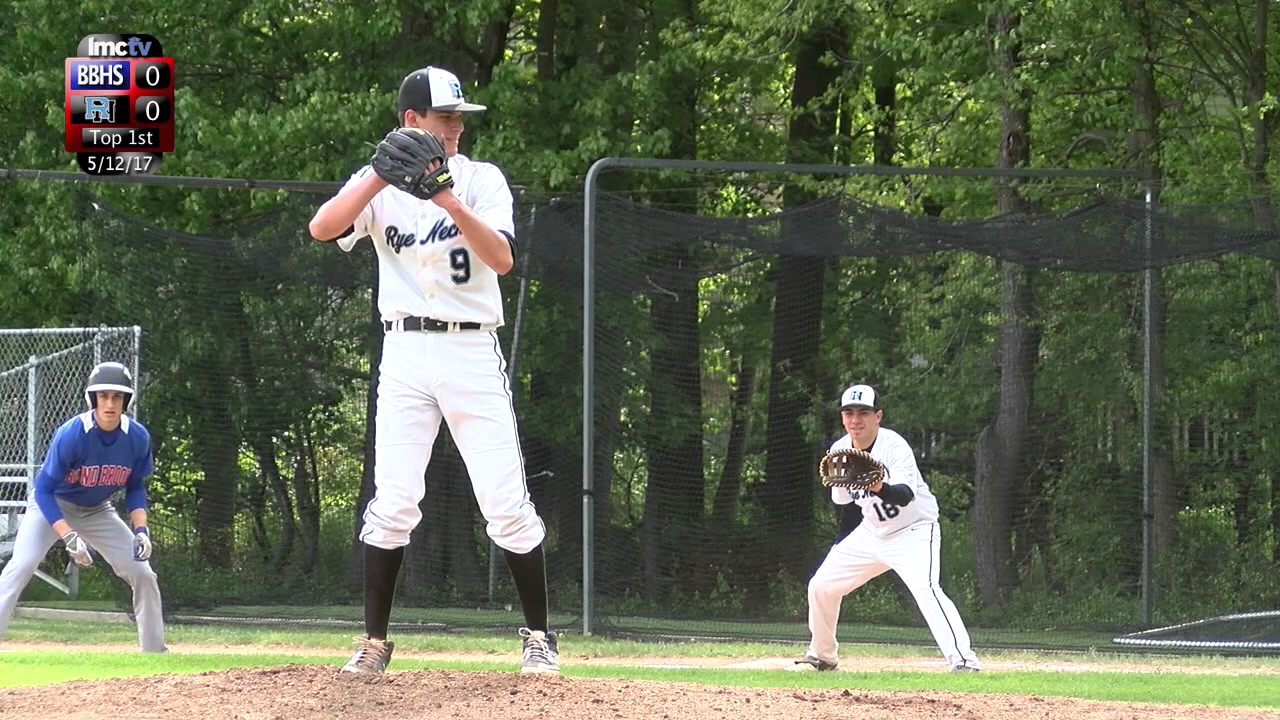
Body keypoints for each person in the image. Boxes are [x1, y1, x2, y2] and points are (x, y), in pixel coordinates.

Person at [308, 65, 558, 675]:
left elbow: (501, 258)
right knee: (392, 501)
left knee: (506, 502)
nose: (455, 128)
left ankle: (538, 637)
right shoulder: (381, 185)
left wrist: (444, 194)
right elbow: (323, 227)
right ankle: (374, 643)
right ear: (410, 122)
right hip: (404, 353)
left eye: (458, 119)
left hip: (471, 350)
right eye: (444, 118)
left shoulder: (481, 180)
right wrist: (376, 173)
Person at [787, 384, 980, 673]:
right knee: (822, 585)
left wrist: (875, 484)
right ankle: (822, 656)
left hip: (913, 530)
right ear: (842, 418)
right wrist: (840, 547)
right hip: (871, 532)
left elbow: (904, 495)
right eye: (849, 413)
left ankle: (964, 661)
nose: (856, 420)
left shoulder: (894, 446)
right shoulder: (839, 450)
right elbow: (848, 507)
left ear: (878, 415)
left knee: (926, 588)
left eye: (863, 412)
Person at [0, 361, 166, 653]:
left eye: (117, 396)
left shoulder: (137, 437)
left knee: (143, 573)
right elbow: (45, 491)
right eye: (103, 395)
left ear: (126, 401)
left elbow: (136, 487)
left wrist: (141, 530)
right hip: (52, 506)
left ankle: (154, 652)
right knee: (22, 565)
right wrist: (68, 536)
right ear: (93, 399)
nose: (110, 403)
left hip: (97, 510)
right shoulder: (73, 434)